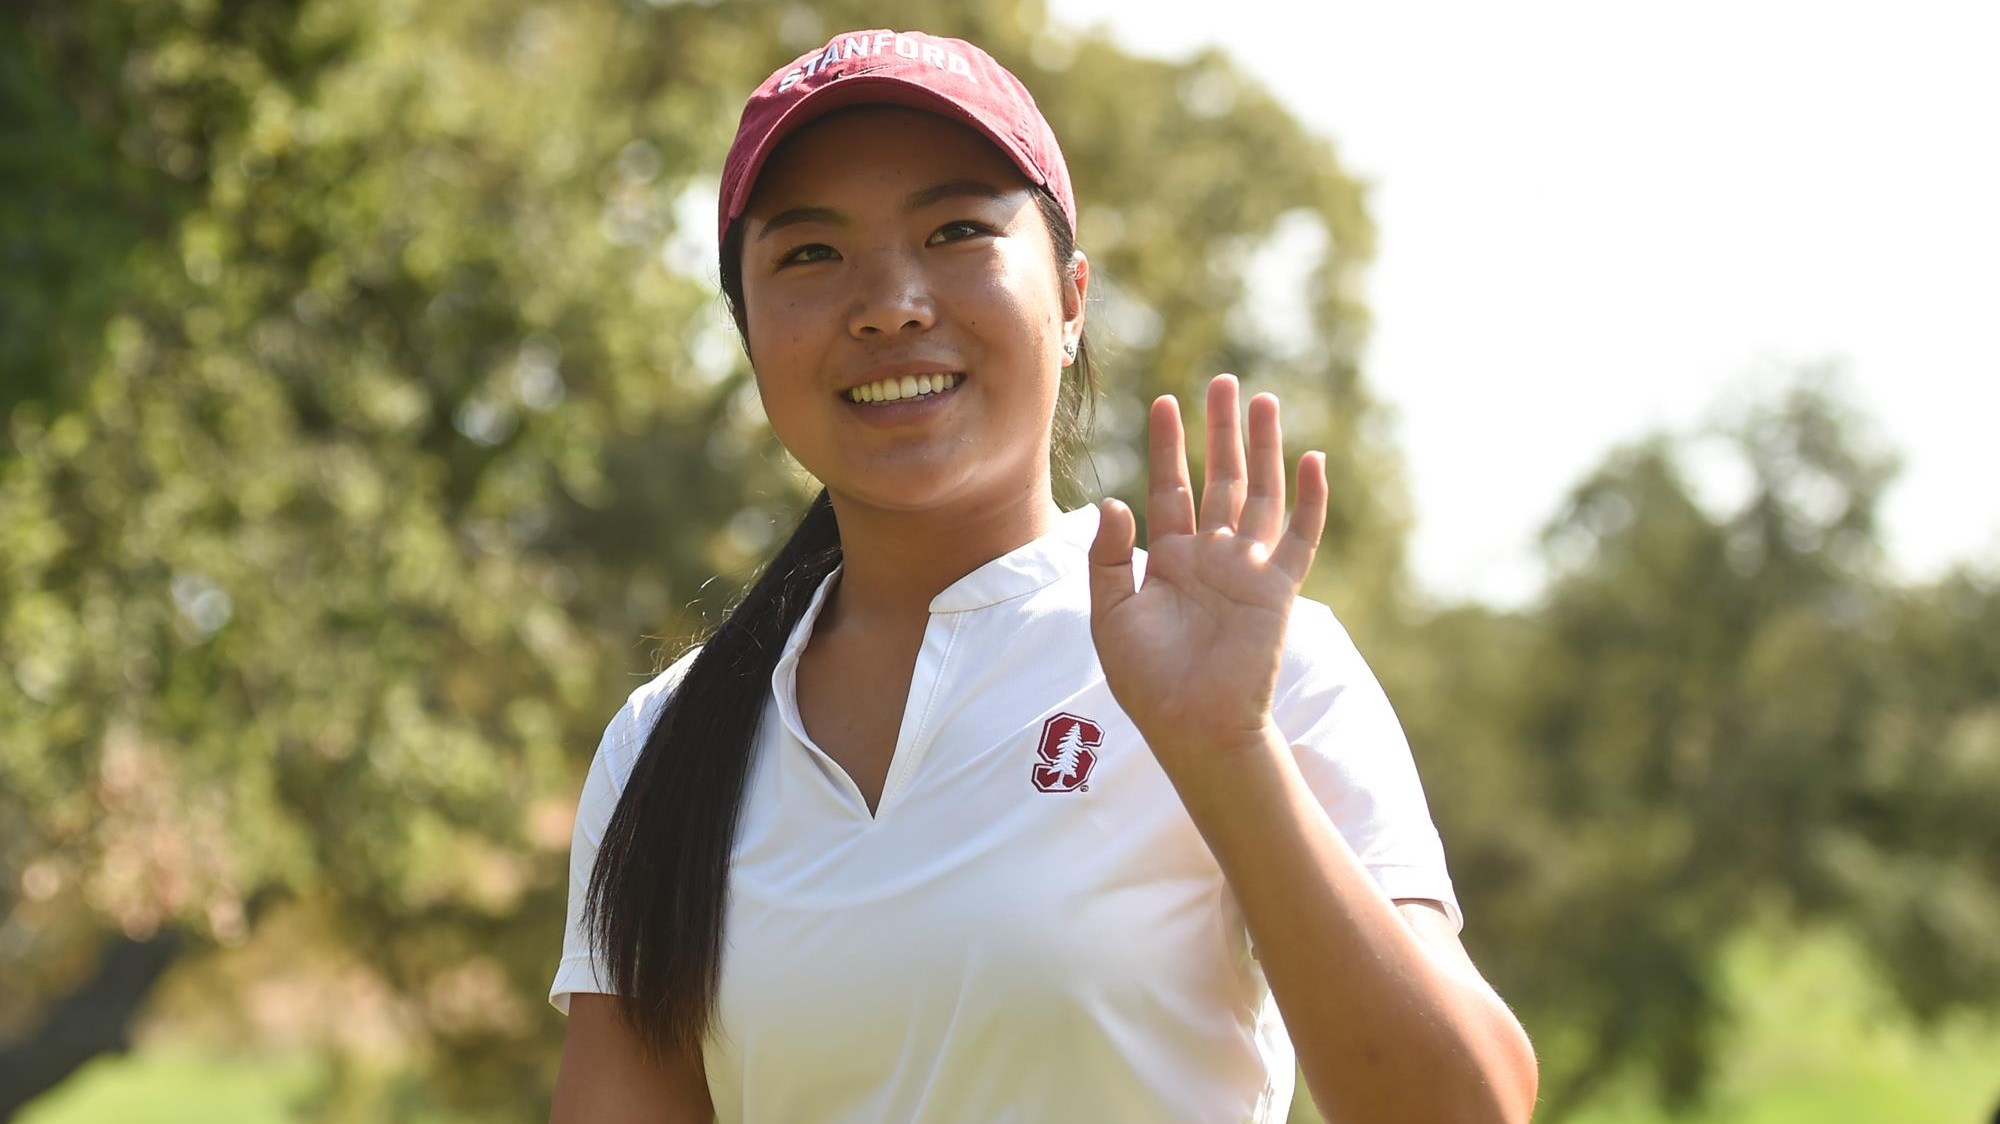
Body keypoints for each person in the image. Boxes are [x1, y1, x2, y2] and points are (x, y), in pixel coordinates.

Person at [548, 27, 1536, 1124]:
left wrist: (1225, 750)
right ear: (746, 330)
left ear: (1070, 300)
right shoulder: (664, 744)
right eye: (810, 255)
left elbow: (1463, 1107)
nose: (889, 303)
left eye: (956, 230)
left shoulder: (1259, 669)